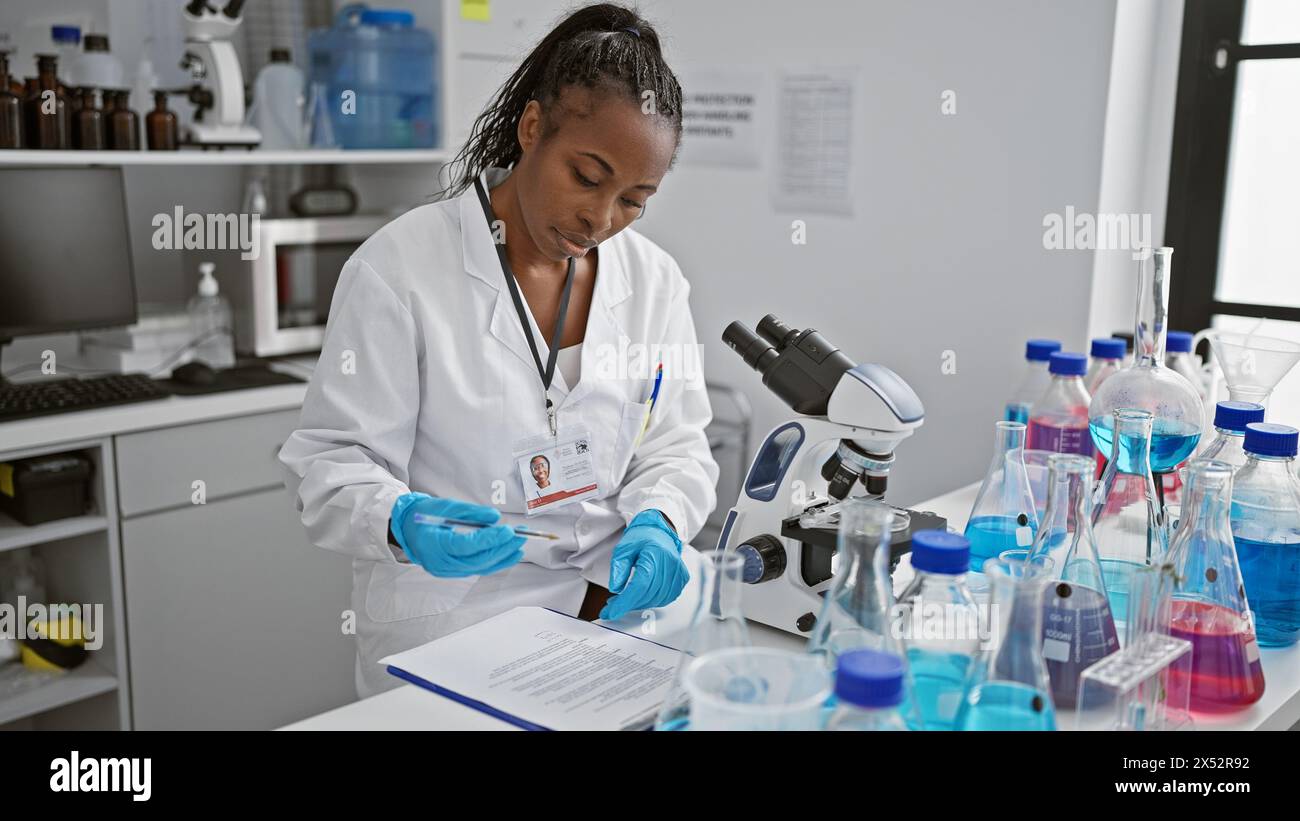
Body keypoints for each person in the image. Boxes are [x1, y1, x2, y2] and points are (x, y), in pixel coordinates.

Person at [279, 3, 719, 697]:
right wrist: (398, 518)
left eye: (635, 199)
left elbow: (678, 443)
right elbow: (331, 462)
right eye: (587, 176)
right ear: (534, 127)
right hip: (449, 634)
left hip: (608, 621)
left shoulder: (656, 281)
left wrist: (661, 520)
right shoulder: (398, 268)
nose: (601, 220)